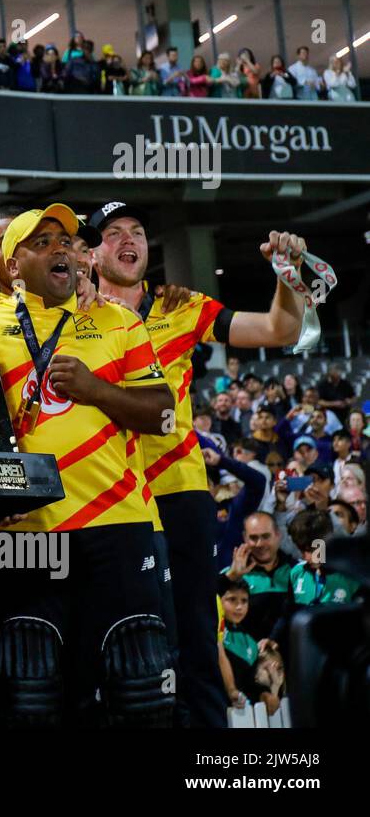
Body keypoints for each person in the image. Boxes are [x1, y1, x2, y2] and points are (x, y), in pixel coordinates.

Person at [90, 200, 308, 728]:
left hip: (179, 490)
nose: (128, 239)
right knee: (125, 631)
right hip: (109, 496)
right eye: (113, 232)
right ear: (92, 253)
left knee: (193, 627)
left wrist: (287, 276)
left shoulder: (181, 306)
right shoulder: (76, 317)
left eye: (137, 231)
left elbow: (280, 330)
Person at [0, 205, 175, 726]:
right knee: (31, 684)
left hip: (118, 525)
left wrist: (95, 389)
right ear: (13, 264)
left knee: (138, 684)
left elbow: (162, 416)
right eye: (43, 242)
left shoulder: (118, 320)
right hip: (26, 532)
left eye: (67, 241)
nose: (61, 249)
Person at [221, 510, 294, 643]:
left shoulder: (298, 571)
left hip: (294, 656)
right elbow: (207, 608)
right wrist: (232, 576)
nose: (260, 544)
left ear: (278, 535)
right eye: (253, 538)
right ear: (244, 537)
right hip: (247, 658)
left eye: (266, 536)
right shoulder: (229, 575)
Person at [218, 577, 284, 715]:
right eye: (232, 599)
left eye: (244, 601)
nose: (239, 606)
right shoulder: (212, 630)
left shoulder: (251, 643)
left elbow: (250, 684)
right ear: (219, 601)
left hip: (239, 714)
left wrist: (264, 695)